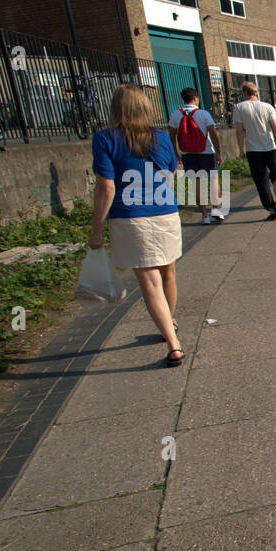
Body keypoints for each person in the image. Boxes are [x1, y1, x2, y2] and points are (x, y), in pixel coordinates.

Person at [88, 84, 184, 367]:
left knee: (149, 280)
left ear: (116, 108)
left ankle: (173, 344)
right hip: (165, 211)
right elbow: (171, 170)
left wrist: (96, 231)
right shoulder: (162, 137)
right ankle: (170, 321)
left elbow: (106, 187)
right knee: (168, 272)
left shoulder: (105, 139)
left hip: (130, 216)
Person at [232, 81, 276, 221]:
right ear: (256, 93)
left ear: (245, 93)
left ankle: (271, 209)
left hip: (253, 149)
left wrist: (241, 150)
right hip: (270, 146)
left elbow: (239, 131)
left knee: (261, 180)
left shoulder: (239, 108)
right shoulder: (267, 107)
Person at [168, 87, 222, 225]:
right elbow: (213, 134)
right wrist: (219, 152)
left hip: (188, 154)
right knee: (213, 179)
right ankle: (215, 209)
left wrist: (176, 152)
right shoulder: (203, 114)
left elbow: (172, 136)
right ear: (195, 98)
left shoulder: (175, 115)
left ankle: (204, 216)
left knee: (196, 183)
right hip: (206, 152)